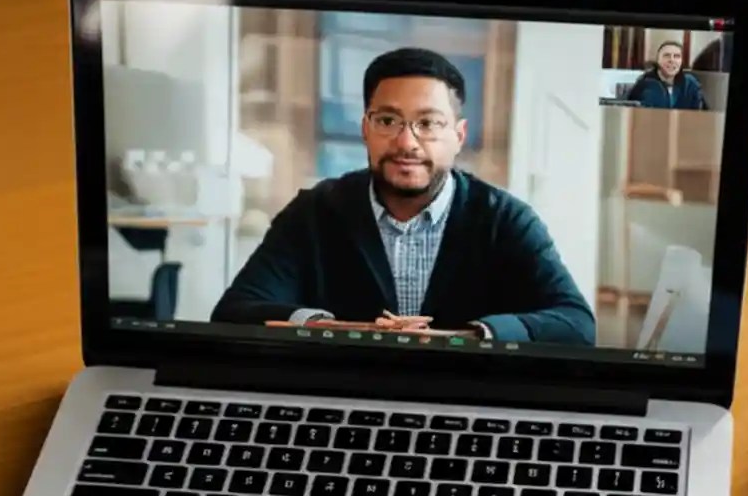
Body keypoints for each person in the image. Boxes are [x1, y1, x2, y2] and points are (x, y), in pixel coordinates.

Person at [211, 47, 595, 346]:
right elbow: (235, 313)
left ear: (458, 136)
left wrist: (467, 338)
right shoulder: (313, 212)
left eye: (428, 123)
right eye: (388, 121)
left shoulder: (505, 219)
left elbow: (577, 325)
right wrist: (336, 329)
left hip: (468, 398)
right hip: (342, 395)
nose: (407, 141)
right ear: (365, 127)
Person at [625, 41, 710, 110]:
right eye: (667, 55)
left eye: (676, 56)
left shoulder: (691, 84)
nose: (671, 60)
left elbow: (702, 112)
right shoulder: (645, 83)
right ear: (658, 60)